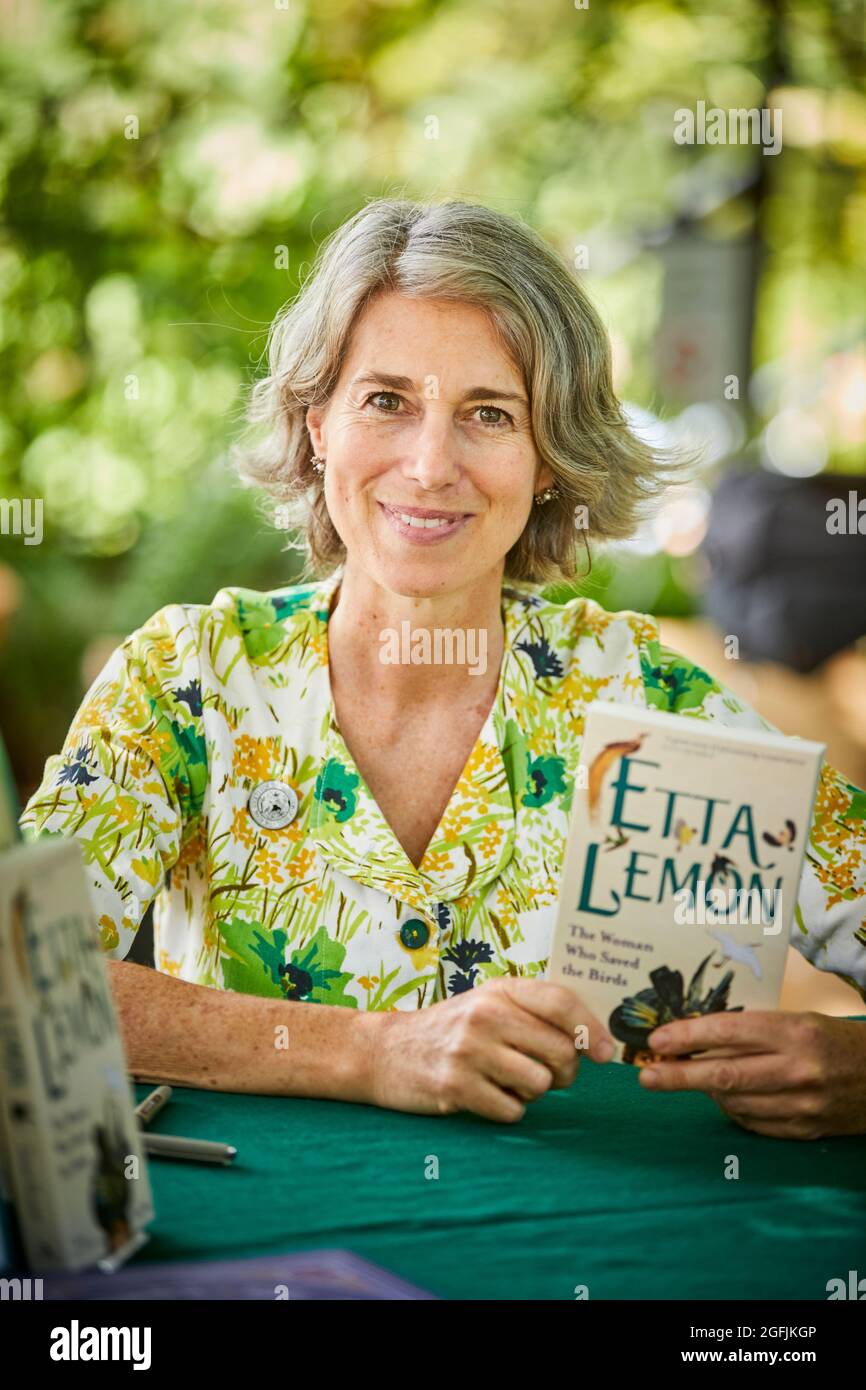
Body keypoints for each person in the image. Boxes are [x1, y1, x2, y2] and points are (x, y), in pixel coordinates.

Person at [19, 198, 866, 1138]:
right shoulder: (191, 678)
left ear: (549, 458)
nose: (430, 465)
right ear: (317, 426)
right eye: (386, 401)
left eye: (489, 414)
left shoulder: (643, 694)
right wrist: (376, 1050)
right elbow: (28, 980)